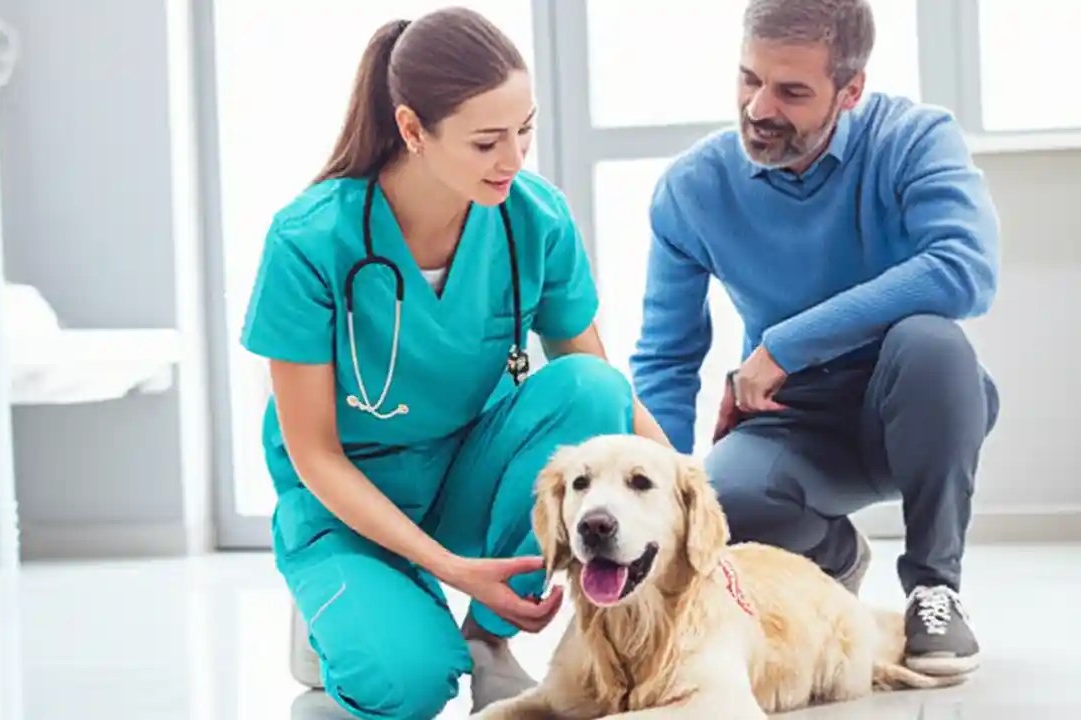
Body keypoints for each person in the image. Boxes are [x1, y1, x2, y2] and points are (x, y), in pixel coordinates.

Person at [239, 9, 669, 719]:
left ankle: (486, 639)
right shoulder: (309, 240)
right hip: (347, 501)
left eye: (525, 129)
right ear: (413, 130)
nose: (514, 159)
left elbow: (603, 404)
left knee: (593, 390)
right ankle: (352, 607)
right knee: (404, 686)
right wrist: (449, 568)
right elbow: (313, 455)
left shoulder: (535, 218)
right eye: (486, 141)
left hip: (468, 473)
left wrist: (696, 503)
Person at [630, 0, 1000, 678]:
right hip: (791, 421)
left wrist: (781, 347)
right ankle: (832, 560)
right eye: (749, 79)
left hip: (911, 403)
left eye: (792, 91)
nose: (759, 108)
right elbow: (667, 355)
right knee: (721, 508)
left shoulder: (913, 139)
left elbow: (965, 268)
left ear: (851, 90)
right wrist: (653, 499)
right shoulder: (691, 189)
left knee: (932, 343)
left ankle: (934, 589)